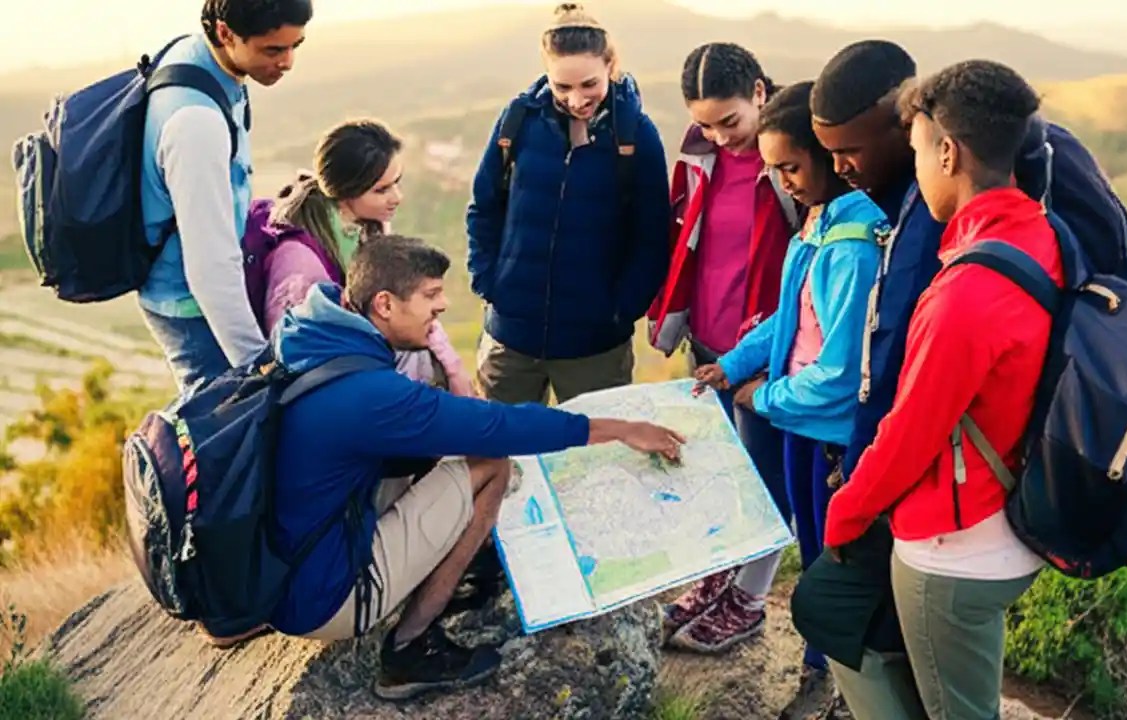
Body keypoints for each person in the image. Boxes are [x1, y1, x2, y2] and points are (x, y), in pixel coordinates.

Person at [269, 235, 685, 700]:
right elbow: (496, 426)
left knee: (438, 451)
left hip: (285, 566)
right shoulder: (371, 394)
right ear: (384, 304)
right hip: (325, 598)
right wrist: (619, 428)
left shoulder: (309, 336)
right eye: (430, 296)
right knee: (490, 464)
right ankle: (410, 651)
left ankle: (449, 567)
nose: (442, 306)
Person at [825, 60, 1060, 719]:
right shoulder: (1038, 234)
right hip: (1009, 517)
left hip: (954, 551)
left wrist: (845, 512)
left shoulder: (965, 292)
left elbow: (910, 432)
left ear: (948, 150)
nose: (917, 167)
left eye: (918, 149)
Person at [684, 81, 890, 692]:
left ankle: (828, 676)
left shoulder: (852, 246)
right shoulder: (820, 221)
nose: (782, 181)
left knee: (831, 559)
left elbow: (838, 369)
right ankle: (819, 665)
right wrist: (734, 361)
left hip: (826, 431)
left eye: (790, 167)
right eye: (773, 169)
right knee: (809, 542)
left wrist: (762, 397)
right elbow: (788, 315)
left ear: (829, 154)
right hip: (801, 424)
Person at [649, 41, 796, 657]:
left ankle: (751, 597)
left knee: (764, 476)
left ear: (760, 92)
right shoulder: (698, 154)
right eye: (705, 122)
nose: (720, 134)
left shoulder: (792, 159)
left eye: (729, 120)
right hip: (707, 338)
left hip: (765, 346)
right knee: (718, 468)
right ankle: (719, 574)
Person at [466, 2, 670, 405]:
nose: (577, 99)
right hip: (510, 336)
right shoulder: (518, 121)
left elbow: (653, 236)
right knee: (498, 456)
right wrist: (488, 282)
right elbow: (484, 207)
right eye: (563, 87)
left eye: (589, 85)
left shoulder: (636, 135)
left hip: (595, 346)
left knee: (600, 459)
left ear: (610, 65)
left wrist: (620, 309)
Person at [140, 0, 312, 397]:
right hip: (192, 309)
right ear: (224, 33)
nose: (287, 62)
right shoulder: (195, 124)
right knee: (227, 436)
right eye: (273, 50)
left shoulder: (202, 59)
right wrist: (259, 366)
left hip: (195, 297)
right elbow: (210, 268)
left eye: (295, 46)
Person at [246, 119, 470, 395]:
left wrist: (453, 367)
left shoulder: (367, 230)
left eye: (396, 184)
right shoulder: (299, 264)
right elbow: (300, 358)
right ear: (344, 190)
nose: (397, 197)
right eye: (381, 190)